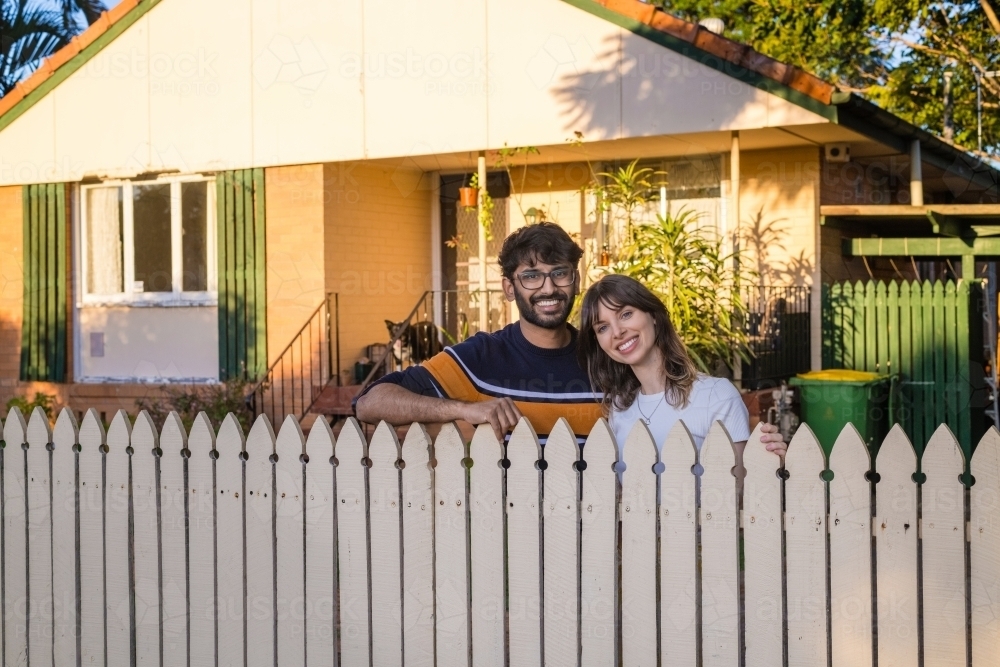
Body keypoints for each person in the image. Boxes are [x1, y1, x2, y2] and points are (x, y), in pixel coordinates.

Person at [355, 222, 603, 443]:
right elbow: (370, 404)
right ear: (509, 288)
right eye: (531, 276)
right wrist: (463, 409)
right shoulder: (483, 356)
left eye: (560, 273)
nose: (548, 288)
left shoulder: (604, 355)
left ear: (577, 280)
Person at [577, 274, 787, 459]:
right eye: (603, 327)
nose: (617, 332)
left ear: (653, 316)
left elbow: (739, 493)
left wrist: (771, 464)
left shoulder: (716, 396)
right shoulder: (619, 408)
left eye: (626, 314)